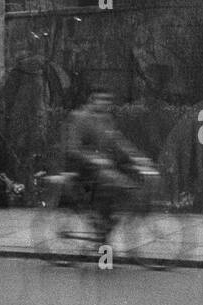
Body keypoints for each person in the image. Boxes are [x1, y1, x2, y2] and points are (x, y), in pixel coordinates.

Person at [65, 89, 152, 233]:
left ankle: (105, 220)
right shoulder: (79, 118)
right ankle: (102, 221)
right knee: (113, 181)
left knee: (127, 181)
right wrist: (94, 159)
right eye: (101, 100)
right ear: (92, 100)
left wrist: (136, 158)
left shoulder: (105, 119)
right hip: (82, 167)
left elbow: (117, 141)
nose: (105, 104)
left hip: (102, 167)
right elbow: (73, 148)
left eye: (107, 101)